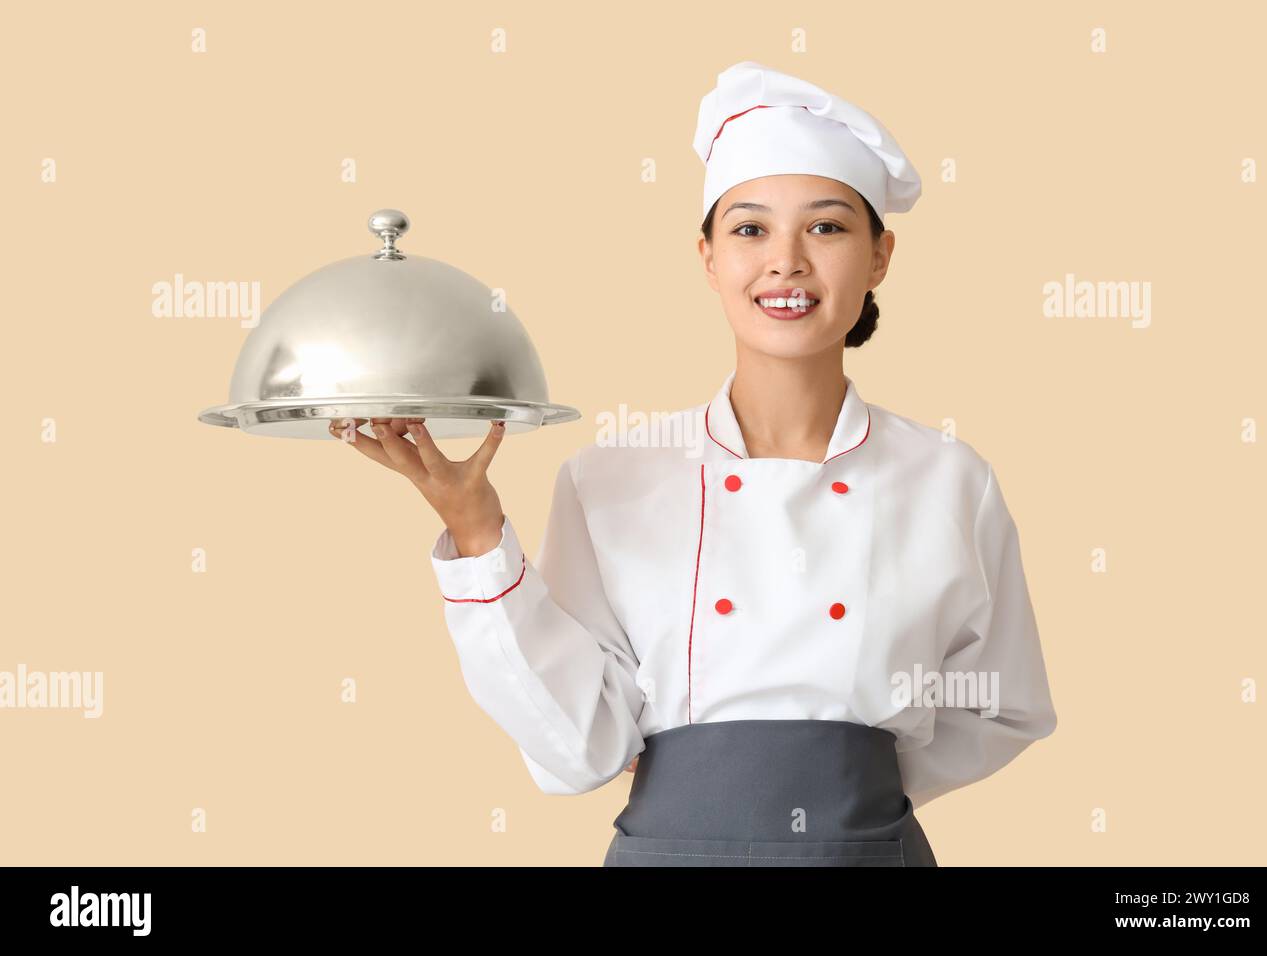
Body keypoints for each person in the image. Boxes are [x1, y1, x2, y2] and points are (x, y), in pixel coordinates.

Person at [329, 61, 1057, 867]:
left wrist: (850, 782)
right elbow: (578, 750)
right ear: (707, 256)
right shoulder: (610, 478)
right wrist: (475, 532)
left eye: (826, 227)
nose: (786, 261)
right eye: (749, 229)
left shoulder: (951, 479)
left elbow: (1004, 706)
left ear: (880, 256)